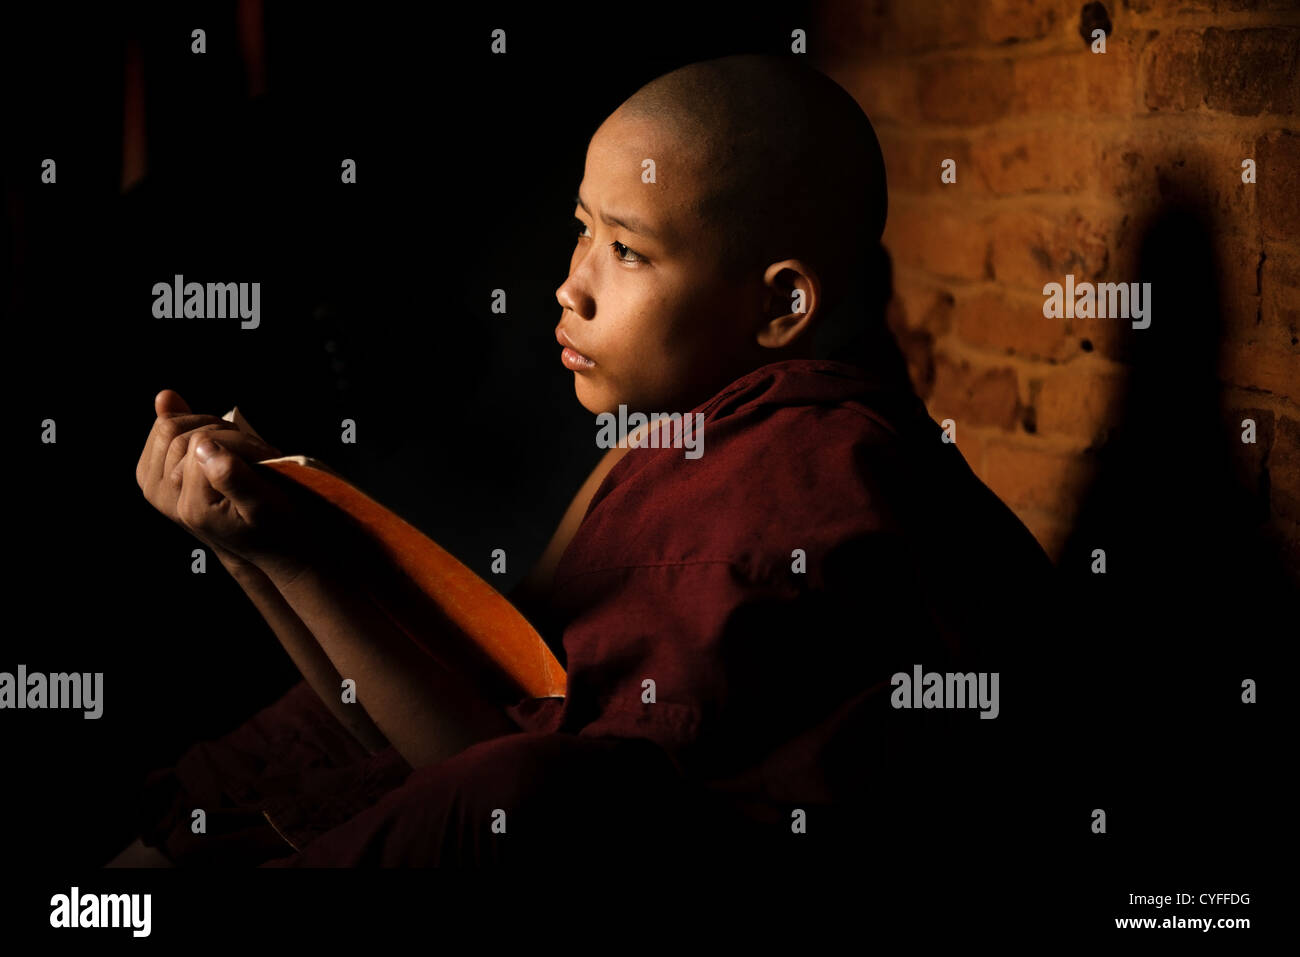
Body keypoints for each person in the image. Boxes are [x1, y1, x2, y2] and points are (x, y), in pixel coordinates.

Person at [111, 53, 1057, 868]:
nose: (572, 285)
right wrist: (254, 542)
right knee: (293, 743)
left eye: (628, 250)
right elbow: (502, 683)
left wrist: (290, 557)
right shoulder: (671, 438)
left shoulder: (823, 475)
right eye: (582, 227)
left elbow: (516, 793)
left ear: (780, 306)